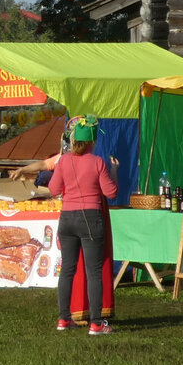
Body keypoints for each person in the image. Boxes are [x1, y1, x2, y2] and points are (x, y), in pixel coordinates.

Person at [49, 114, 118, 336]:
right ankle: (96, 323)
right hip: (90, 218)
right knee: (94, 272)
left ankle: (63, 318)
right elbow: (111, 192)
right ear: (91, 142)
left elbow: (52, 189)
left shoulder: (63, 161)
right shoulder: (97, 162)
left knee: (67, 269)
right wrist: (114, 171)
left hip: (66, 219)